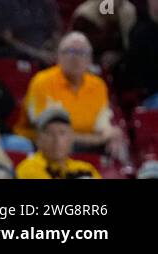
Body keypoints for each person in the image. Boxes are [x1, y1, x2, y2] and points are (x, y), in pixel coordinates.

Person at [18, 32, 129, 163]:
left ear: (90, 59)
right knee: (60, 142)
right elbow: (51, 131)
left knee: (118, 145)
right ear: (58, 56)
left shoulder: (98, 85)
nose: (76, 58)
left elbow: (102, 122)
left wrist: (111, 134)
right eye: (69, 51)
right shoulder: (42, 82)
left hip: (86, 142)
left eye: (82, 52)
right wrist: (98, 139)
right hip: (47, 144)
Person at [15, 109, 100, 179]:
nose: (56, 140)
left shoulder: (86, 169)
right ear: (38, 139)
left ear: (71, 138)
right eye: (49, 133)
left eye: (62, 133)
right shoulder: (29, 168)